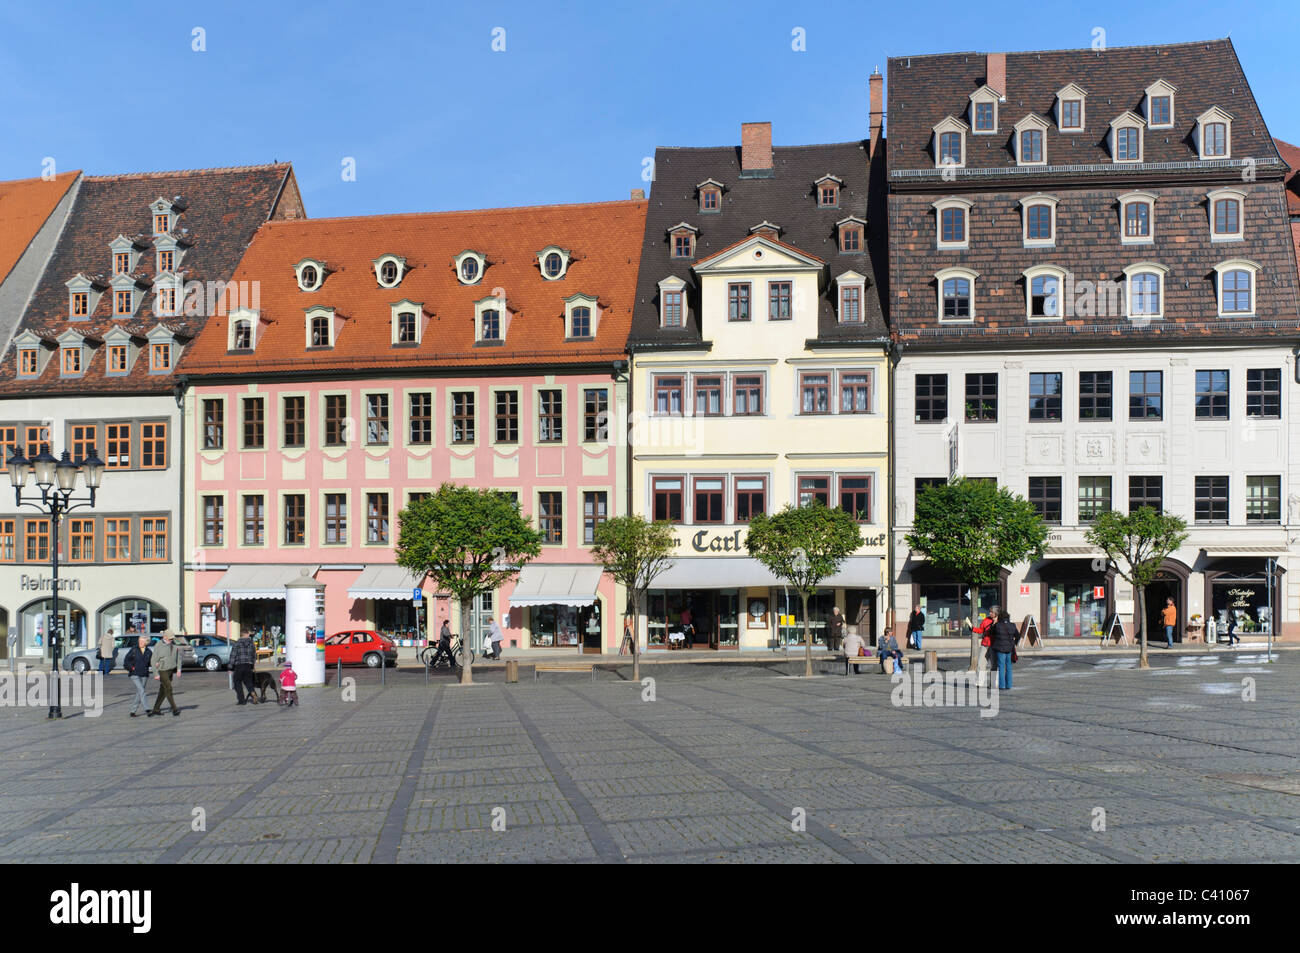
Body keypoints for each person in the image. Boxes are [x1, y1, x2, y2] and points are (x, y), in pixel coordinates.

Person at [149, 629, 186, 717]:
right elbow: (153, 660)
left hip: (170, 670)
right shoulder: (158, 645)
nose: (171, 640)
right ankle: (174, 709)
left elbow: (179, 657)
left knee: (163, 690)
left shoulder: (174, 645)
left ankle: (156, 709)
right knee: (169, 688)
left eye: (172, 639)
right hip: (162, 670)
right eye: (169, 639)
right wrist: (156, 673)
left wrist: (179, 669)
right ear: (164, 637)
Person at [122, 635, 152, 718]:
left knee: (139, 693)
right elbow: (126, 660)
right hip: (134, 674)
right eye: (140, 641)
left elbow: (150, 663)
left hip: (144, 674)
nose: (141, 643)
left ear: (146, 642)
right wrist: (132, 667)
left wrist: (156, 664)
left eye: (142, 642)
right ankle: (147, 709)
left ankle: (133, 711)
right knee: (142, 690)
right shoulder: (134, 649)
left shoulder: (149, 651)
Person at [990, 609, 1018, 691]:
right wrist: (1013, 643)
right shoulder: (1013, 625)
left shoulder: (998, 625)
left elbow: (991, 632)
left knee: (1001, 667)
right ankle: (1009, 685)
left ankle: (1002, 685)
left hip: (1000, 649)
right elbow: (1018, 635)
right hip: (1009, 649)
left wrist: (994, 623)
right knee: (1009, 667)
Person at [229, 630, 257, 705]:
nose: (249, 635)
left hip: (239, 665)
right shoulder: (251, 644)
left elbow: (233, 655)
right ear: (246, 634)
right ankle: (253, 693)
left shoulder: (237, 643)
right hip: (248, 665)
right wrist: (252, 665)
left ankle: (241, 700)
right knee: (248, 682)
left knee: (237, 682)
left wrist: (230, 667)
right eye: (248, 634)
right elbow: (254, 656)